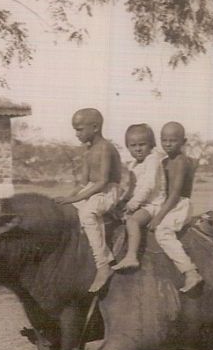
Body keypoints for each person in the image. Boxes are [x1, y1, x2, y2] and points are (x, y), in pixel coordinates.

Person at [54, 108, 123, 292]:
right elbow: (84, 183)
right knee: (65, 210)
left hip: (108, 191)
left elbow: (103, 181)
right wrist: (69, 198)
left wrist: (77, 198)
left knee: (87, 213)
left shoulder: (105, 148)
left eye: (79, 129)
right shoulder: (88, 150)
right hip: (92, 190)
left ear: (95, 127)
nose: (76, 134)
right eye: (75, 130)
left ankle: (103, 264)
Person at [149, 122, 204, 293]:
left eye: (172, 140)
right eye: (164, 140)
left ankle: (190, 271)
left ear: (183, 141)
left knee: (163, 232)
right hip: (167, 203)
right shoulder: (165, 161)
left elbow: (175, 194)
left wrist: (158, 218)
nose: (167, 144)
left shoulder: (181, 161)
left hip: (179, 204)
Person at [112, 124, 166, 271]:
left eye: (142, 144)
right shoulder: (133, 165)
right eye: (133, 145)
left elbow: (149, 186)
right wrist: (123, 201)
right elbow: (132, 189)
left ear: (151, 144)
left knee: (132, 221)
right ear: (128, 147)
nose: (138, 149)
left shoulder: (152, 160)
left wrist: (132, 204)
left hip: (153, 204)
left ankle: (131, 257)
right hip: (141, 203)